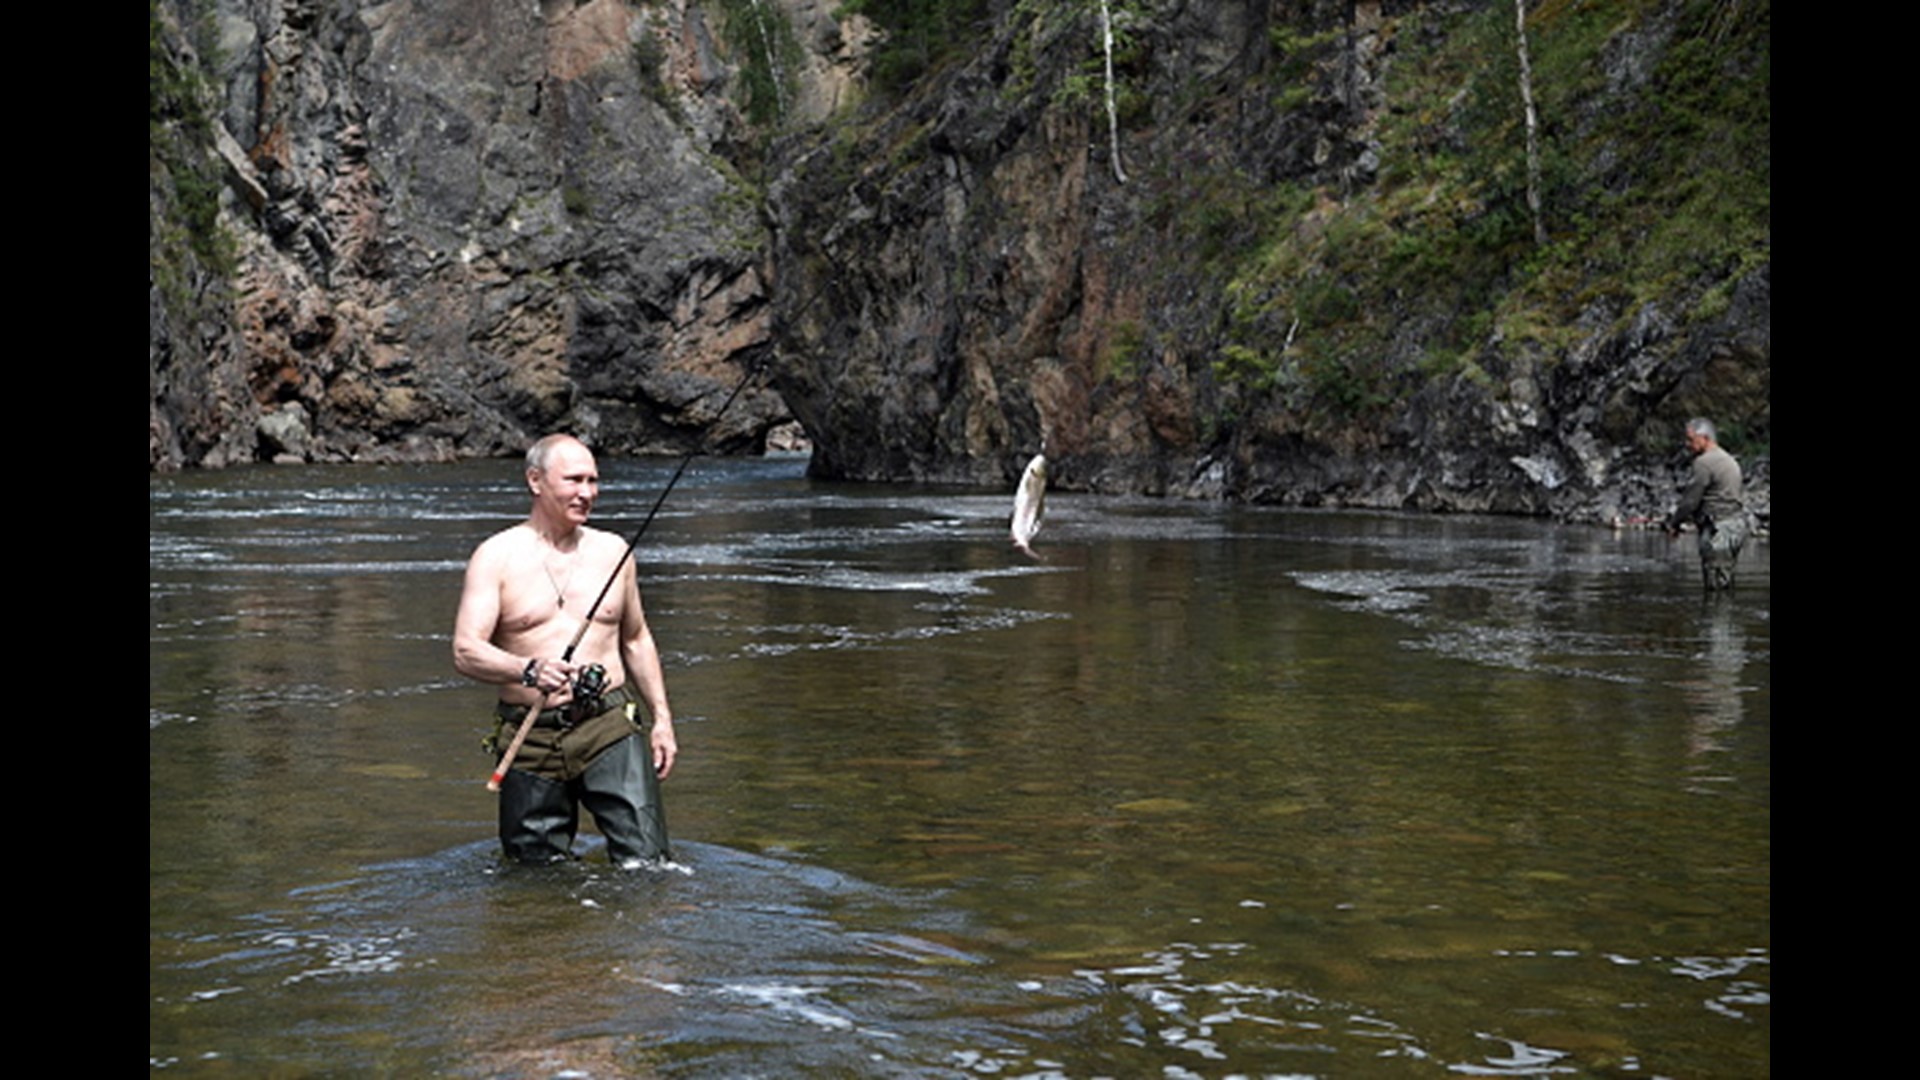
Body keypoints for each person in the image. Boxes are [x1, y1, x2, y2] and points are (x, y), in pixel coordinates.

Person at [453, 434, 679, 867]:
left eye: (593, 480)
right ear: (535, 481)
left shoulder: (614, 552)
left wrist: (663, 721)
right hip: (528, 734)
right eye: (574, 479)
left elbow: (636, 639)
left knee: (648, 864)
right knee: (534, 875)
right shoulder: (495, 557)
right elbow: (466, 651)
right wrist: (527, 669)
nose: (588, 492)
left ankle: (644, 934)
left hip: (608, 724)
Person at [1666, 417, 1748, 591]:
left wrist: (1675, 523)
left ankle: (1714, 618)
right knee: (1725, 585)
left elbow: (1690, 500)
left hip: (1718, 531)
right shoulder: (1728, 459)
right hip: (1736, 528)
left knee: (1715, 591)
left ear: (1705, 438)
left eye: (1691, 439)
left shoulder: (1704, 463)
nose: (1687, 444)